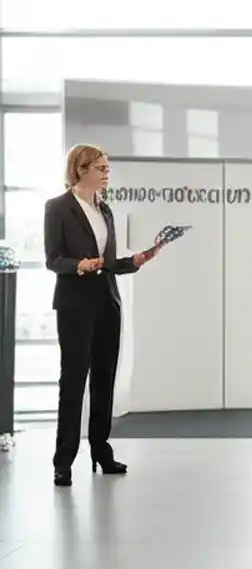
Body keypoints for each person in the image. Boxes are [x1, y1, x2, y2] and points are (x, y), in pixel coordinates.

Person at [43, 144, 162, 487]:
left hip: (107, 303)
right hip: (74, 305)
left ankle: (101, 450)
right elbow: (53, 259)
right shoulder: (58, 208)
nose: (108, 172)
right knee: (74, 379)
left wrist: (133, 261)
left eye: (108, 167)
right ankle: (63, 459)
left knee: (104, 379)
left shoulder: (105, 209)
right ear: (81, 169)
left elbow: (107, 263)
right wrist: (79, 265)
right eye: (101, 167)